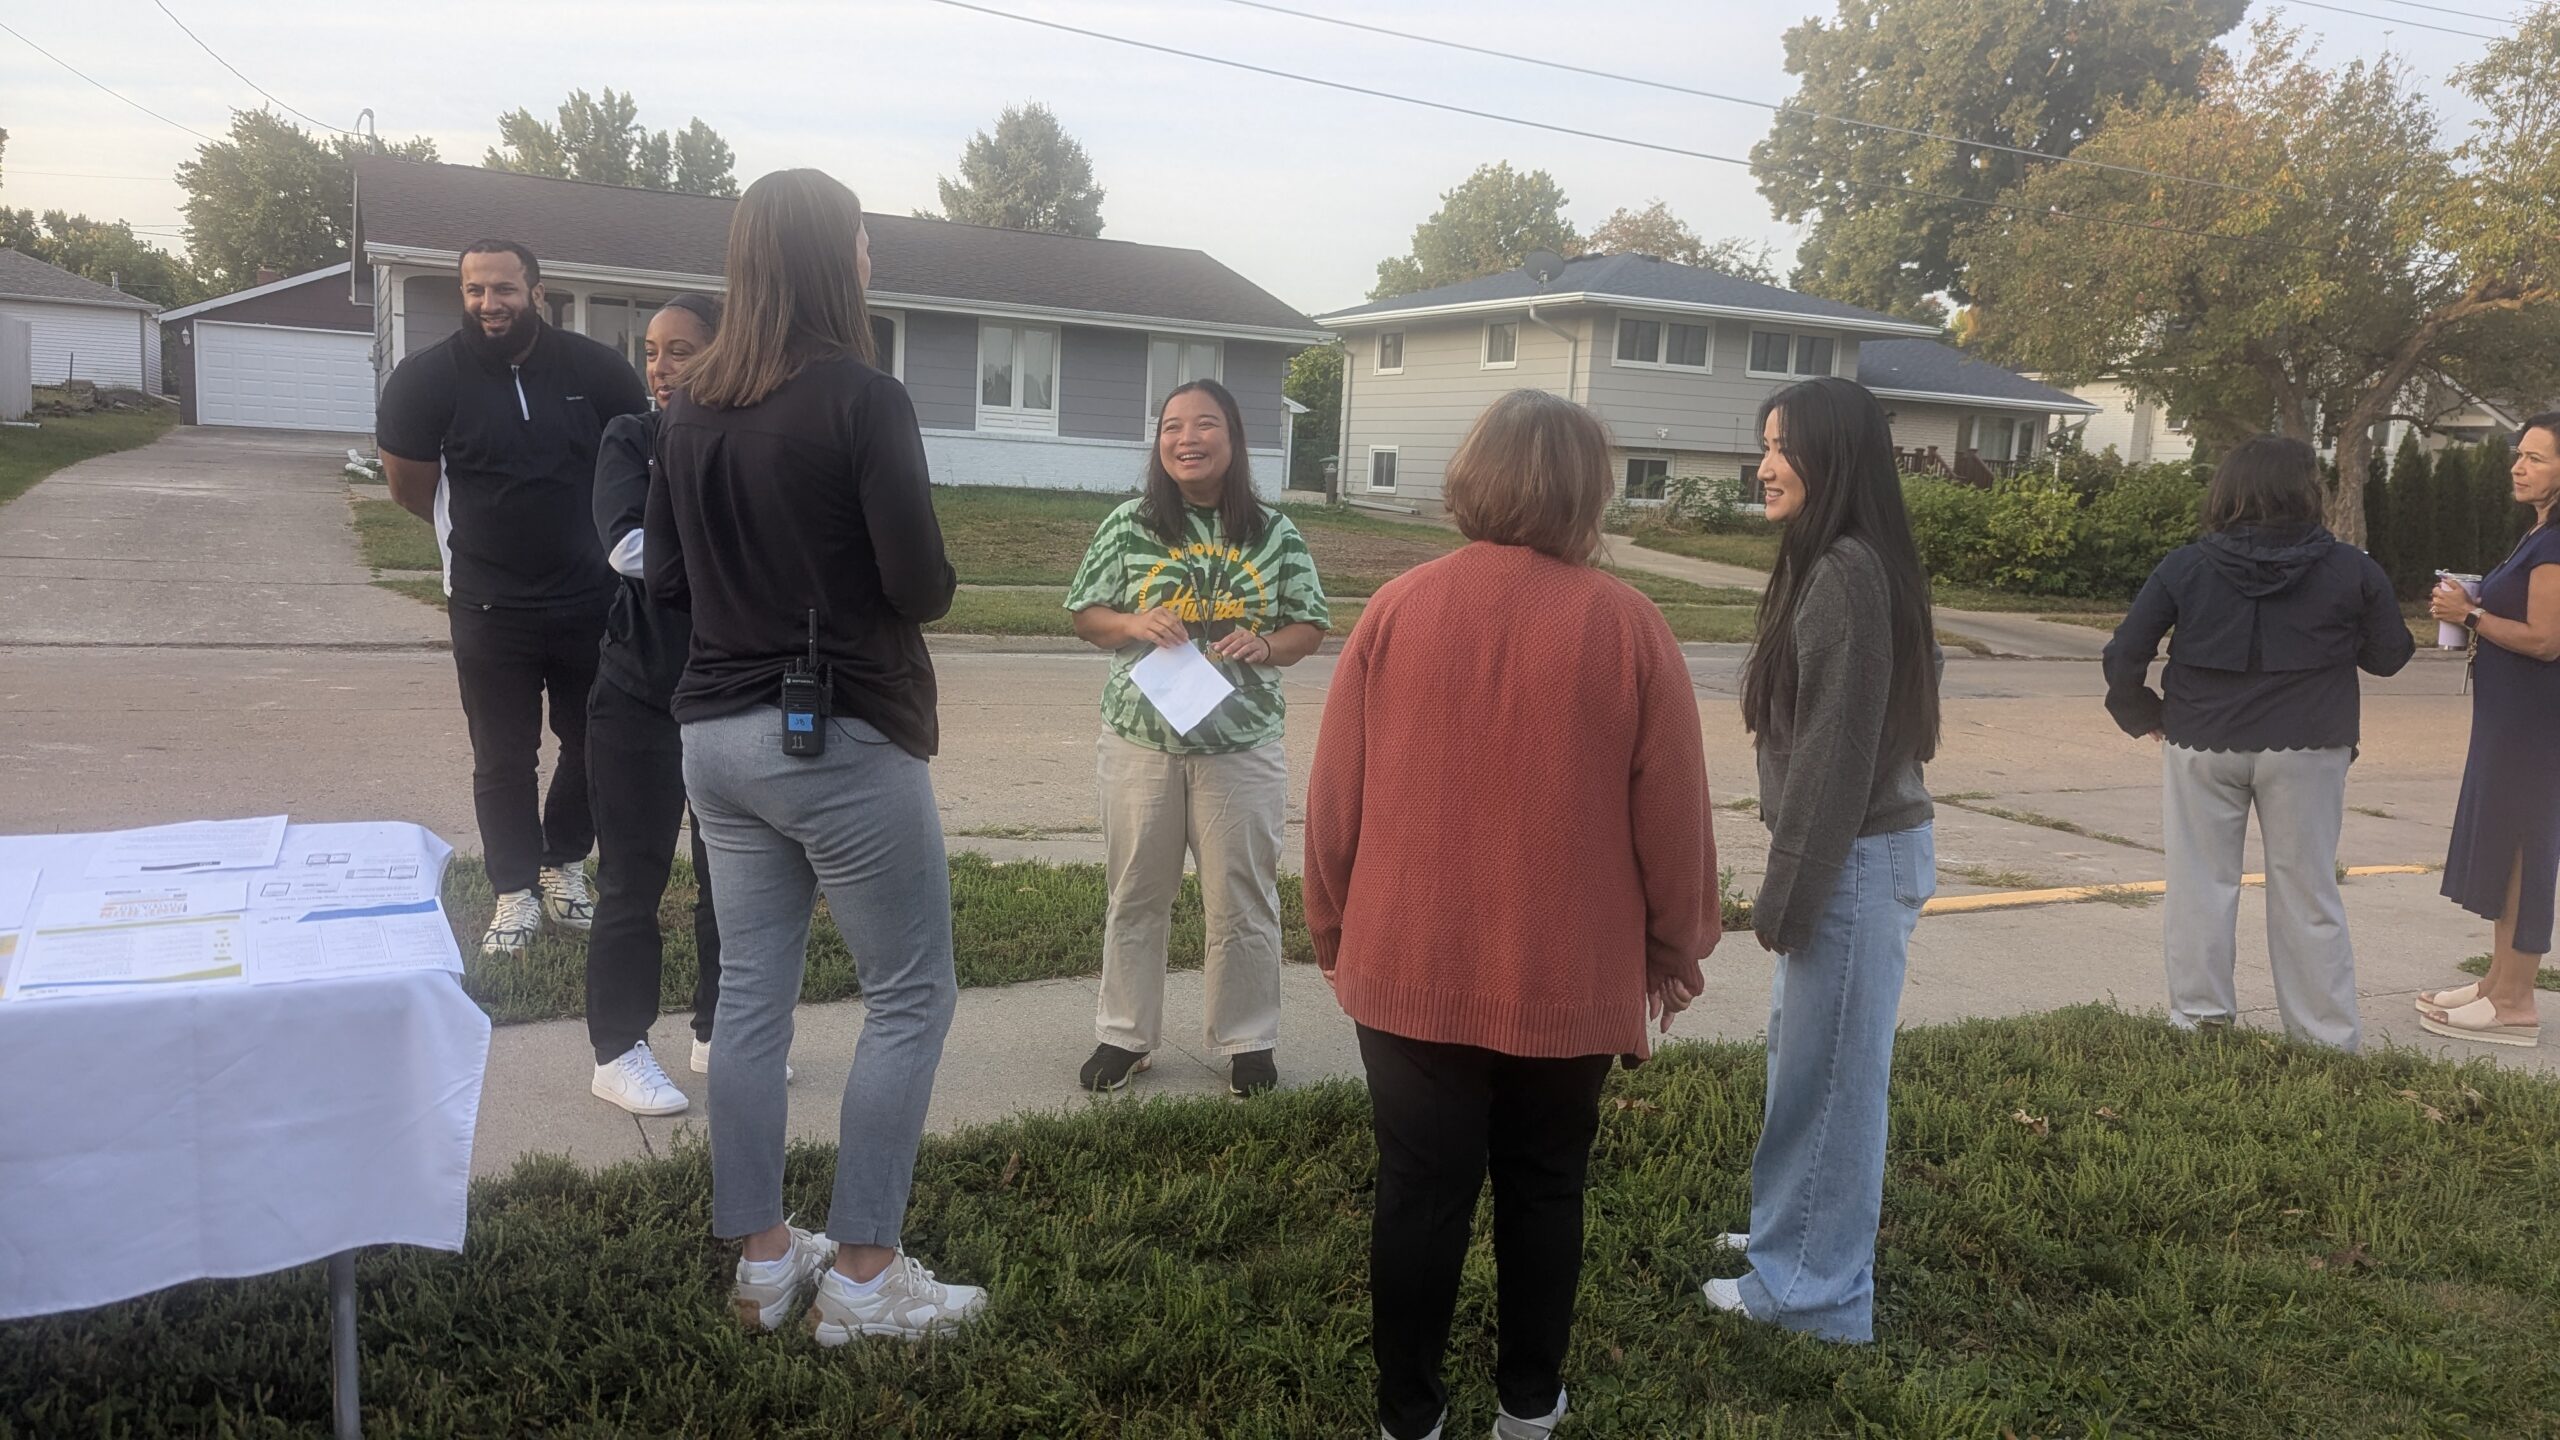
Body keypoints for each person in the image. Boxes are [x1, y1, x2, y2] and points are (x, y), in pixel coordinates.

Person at [1305, 389, 1718, 1440]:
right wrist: (1675, 945)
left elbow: (1332, 798)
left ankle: (1409, 1415)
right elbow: (1673, 815)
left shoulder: (1395, 607)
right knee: (1545, 1188)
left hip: (1406, 958)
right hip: (1568, 972)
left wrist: (1333, 924)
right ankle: (1529, 1407)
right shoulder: (1629, 625)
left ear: (1468, 476)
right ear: (1588, 492)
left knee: (1418, 1194)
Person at [644, 170, 984, 1340]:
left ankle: (762, 1261)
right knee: (909, 997)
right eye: (863, 242)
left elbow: (670, 580)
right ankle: (864, 1278)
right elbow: (921, 586)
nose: (871, 259)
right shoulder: (863, 397)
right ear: (831, 260)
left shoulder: (687, 403)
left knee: (748, 1001)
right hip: (837, 733)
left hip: (715, 740)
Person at [1701, 376, 1941, 1344]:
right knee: (1807, 1066)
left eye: (1782, 447)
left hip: (1854, 854)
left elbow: (1837, 758)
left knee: (1833, 1082)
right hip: (1859, 853)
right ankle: (1790, 1237)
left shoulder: (1844, 571)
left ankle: (1814, 1292)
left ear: (1832, 456)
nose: (1763, 466)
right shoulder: (1836, 559)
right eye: (1762, 444)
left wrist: (1785, 893)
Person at [376, 239, 648, 955]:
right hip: (488, 603)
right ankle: (514, 891)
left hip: (591, 598)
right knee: (502, 756)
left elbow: (636, 463)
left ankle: (563, 864)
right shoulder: (426, 379)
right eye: (474, 291)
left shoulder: (598, 371)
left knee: (592, 742)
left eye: (503, 289)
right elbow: (408, 482)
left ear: (537, 289)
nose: (489, 304)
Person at [2102, 437, 2414, 1052]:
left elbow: (2125, 654)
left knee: (2199, 883)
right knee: (2307, 889)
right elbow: (2390, 656)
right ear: (2307, 491)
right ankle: (2323, 1040)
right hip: (2309, 743)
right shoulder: (2351, 566)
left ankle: (2199, 1023)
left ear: (2227, 491)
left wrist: (2145, 713)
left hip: (2202, 739)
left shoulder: (2186, 565)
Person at [1063, 378, 1330, 1097]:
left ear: (1233, 439)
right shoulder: (1129, 525)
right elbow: (1086, 615)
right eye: (1172, 426)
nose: (1188, 437)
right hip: (1140, 744)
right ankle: (1125, 1035)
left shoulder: (1274, 532)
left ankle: (1248, 1040)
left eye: (1205, 423)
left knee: (1241, 897)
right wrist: (1131, 625)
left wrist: (1268, 645)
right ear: (1160, 445)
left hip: (1239, 749)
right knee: (1135, 894)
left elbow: (1310, 624)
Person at [583, 294, 740, 1117]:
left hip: (722, 695)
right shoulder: (631, 438)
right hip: (638, 694)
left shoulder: (743, 439)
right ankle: (616, 1050)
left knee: (732, 879)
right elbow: (626, 546)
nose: (661, 367)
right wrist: (740, 570)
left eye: (681, 351)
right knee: (631, 880)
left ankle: (717, 1031)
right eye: (653, 351)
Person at [2417, 412, 2560, 1049]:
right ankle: (2496, 984)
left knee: (2526, 854)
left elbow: (2547, 640)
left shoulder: (2557, 543)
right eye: (2519, 453)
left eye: (2536, 458)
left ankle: (2515, 1002)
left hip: (2536, 726)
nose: (2518, 465)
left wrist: (2470, 613)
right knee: (2507, 849)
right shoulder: (2540, 533)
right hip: (2512, 721)